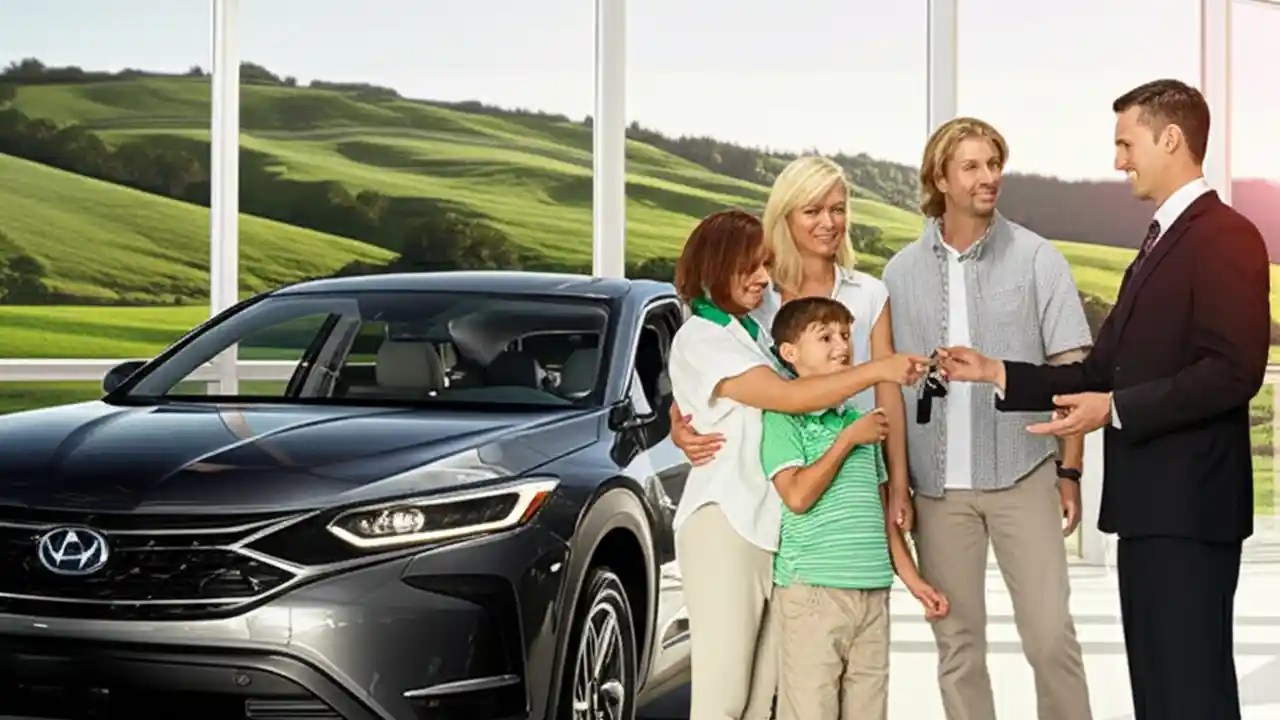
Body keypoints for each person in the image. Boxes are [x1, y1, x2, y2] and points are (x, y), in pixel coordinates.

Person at [937, 79, 1269, 720]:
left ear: (1170, 138)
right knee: (1160, 690)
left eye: (1126, 143)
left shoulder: (1224, 235)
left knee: (1192, 692)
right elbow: (1095, 367)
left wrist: (1113, 409)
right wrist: (995, 372)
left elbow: (1232, 371)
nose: (1119, 160)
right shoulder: (1159, 241)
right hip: (1151, 510)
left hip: (1191, 511)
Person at [666, 209, 927, 720]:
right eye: (749, 267)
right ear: (716, 266)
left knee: (764, 698)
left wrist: (679, 418)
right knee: (722, 700)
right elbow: (788, 397)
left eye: (764, 264)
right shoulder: (701, 337)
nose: (763, 278)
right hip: (726, 524)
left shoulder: (754, 329)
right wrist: (877, 369)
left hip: (772, 531)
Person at [880, 116, 1094, 720]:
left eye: (993, 164)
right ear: (940, 178)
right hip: (939, 489)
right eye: (971, 166)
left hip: (1025, 475)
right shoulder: (899, 274)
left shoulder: (1037, 259)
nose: (988, 177)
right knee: (958, 647)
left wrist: (1069, 473)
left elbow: (1070, 369)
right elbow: (890, 390)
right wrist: (900, 484)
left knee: (1052, 637)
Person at [672, 154, 916, 531]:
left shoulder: (869, 293)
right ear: (785, 215)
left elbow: (888, 397)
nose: (828, 222)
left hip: (857, 478)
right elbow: (717, 375)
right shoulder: (755, 299)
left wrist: (899, 484)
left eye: (837, 210)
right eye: (812, 211)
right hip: (779, 490)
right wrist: (680, 421)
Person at [761, 296, 948, 720]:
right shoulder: (783, 419)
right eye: (824, 337)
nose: (841, 346)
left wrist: (915, 581)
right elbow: (797, 496)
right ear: (790, 354)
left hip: (872, 593)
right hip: (813, 593)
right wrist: (847, 441)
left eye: (845, 335)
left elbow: (885, 518)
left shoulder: (862, 422)